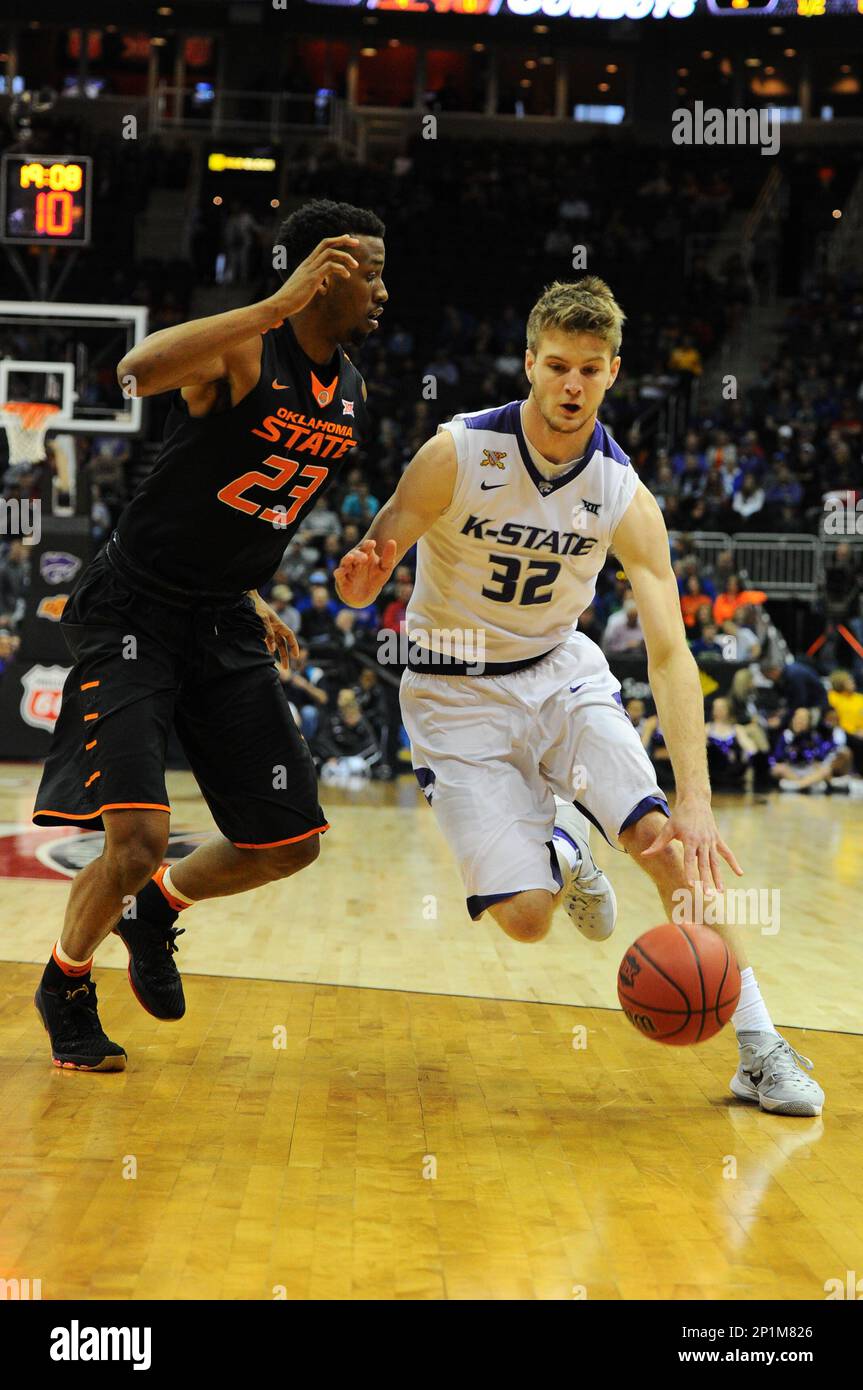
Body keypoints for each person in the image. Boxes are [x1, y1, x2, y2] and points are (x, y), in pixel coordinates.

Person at [335, 275, 823, 1117]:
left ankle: (757, 1047)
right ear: (528, 363)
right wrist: (357, 583)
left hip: (561, 670)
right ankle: (562, 851)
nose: (570, 385)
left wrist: (695, 799)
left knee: (668, 845)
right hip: (452, 695)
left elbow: (670, 655)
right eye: (556, 365)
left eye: (589, 369)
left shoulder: (624, 497)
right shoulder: (456, 453)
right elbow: (364, 573)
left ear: (612, 373)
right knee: (525, 919)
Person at [31, 198, 388, 1072]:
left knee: (289, 842)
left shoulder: (352, 390)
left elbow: (261, 503)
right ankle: (66, 983)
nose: (384, 290)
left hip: (222, 614)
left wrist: (254, 597)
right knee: (135, 837)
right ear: (322, 276)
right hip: (134, 613)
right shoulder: (241, 347)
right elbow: (133, 370)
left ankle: (158, 910)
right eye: (369, 272)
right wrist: (276, 302)